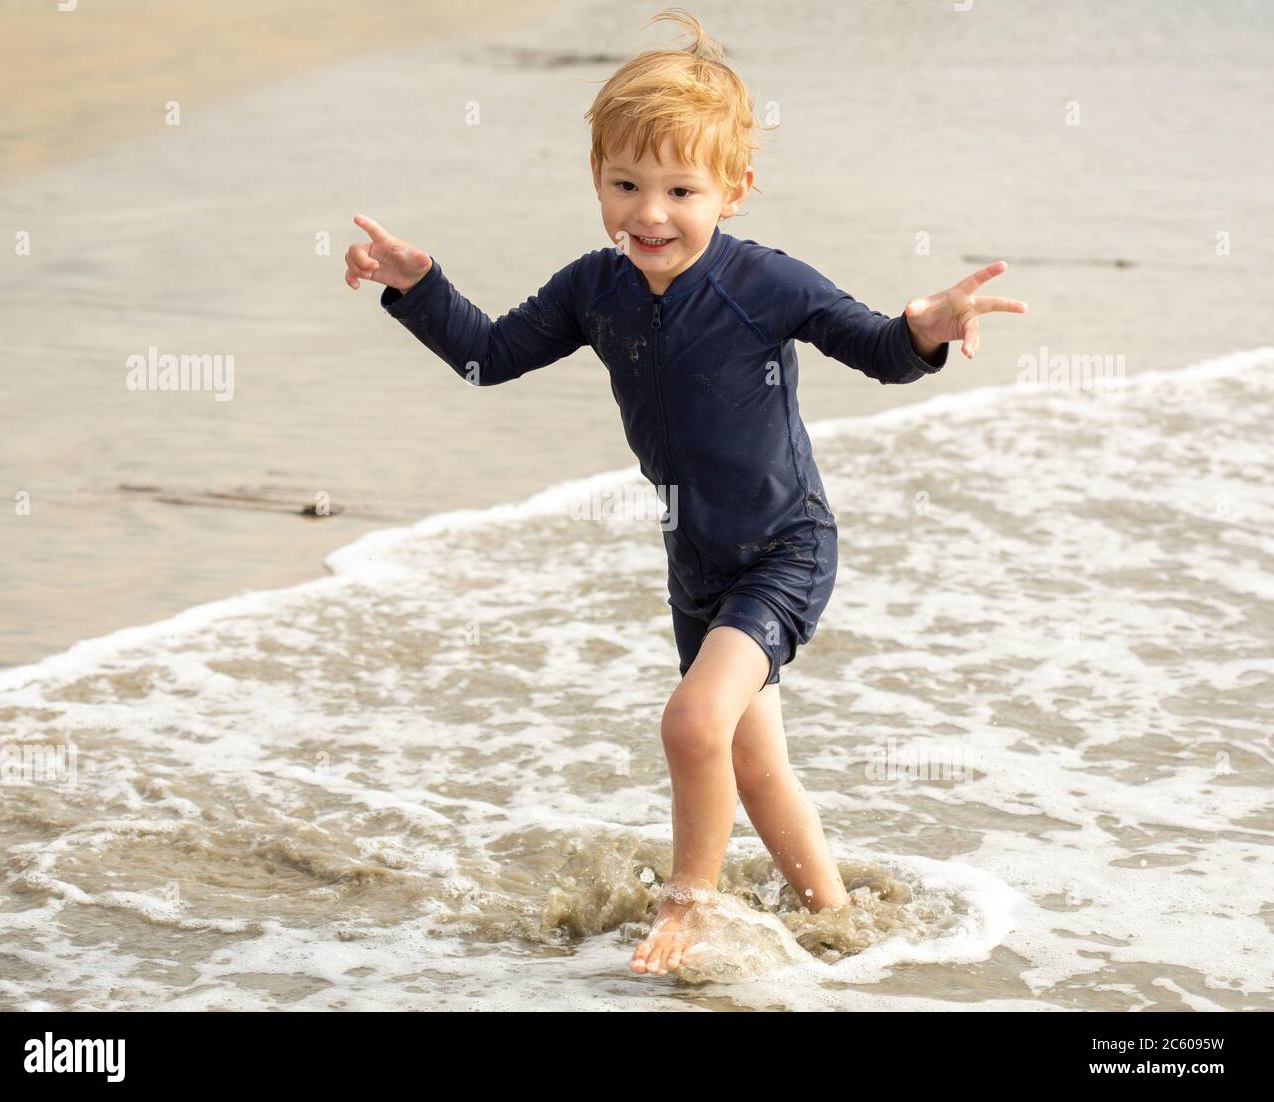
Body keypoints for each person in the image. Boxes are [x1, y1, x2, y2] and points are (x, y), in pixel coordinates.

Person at [344, 7, 1026, 977]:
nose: (648, 213)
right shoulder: (595, 288)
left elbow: (877, 348)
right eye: (624, 184)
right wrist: (419, 289)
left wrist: (926, 326)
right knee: (752, 764)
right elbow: (487, 358)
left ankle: (689, 906)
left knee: (691, 722)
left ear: (734, 190)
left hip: (785, 547)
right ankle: (841, 929)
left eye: (678, 189)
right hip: (695, 559)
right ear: (597, 181)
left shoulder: (765, 283)